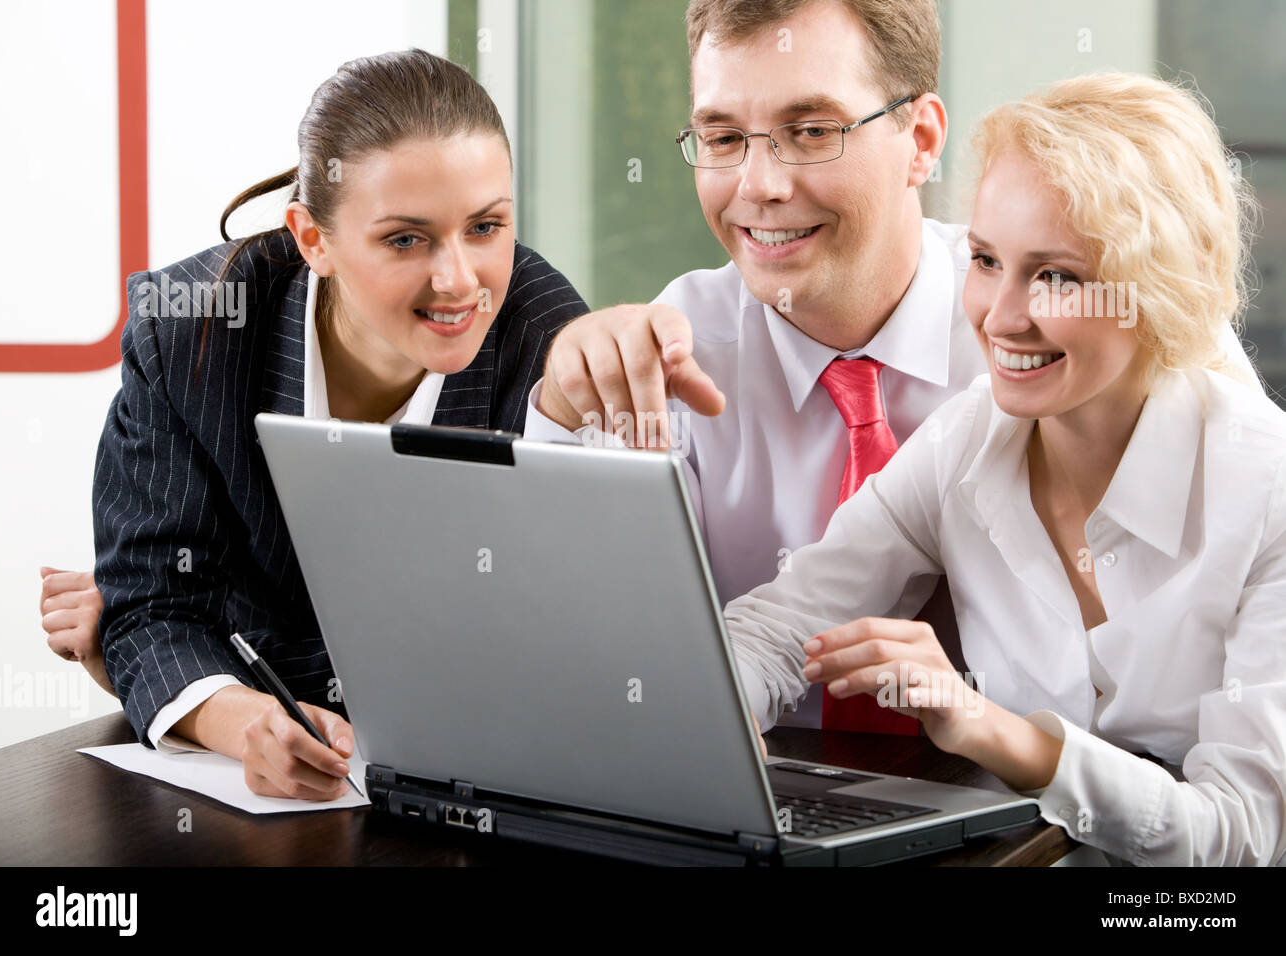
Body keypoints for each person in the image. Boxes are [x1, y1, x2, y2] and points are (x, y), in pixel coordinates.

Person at [523, 0, 1260, 737]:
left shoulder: (1079, 326)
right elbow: (567, 654)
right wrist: (559, 408)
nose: (758, 186)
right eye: (722, 137)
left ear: (921, 139)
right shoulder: (665, 362)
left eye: (811, 132)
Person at [724, 72, 1284, 866]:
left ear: (1156, 288)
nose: (1000, 314)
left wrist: (993, 731)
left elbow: (1241, 837)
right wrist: (711, 715)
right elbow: (781, 627)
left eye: (1056, 276)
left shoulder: (1267, 490)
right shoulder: (965, 444)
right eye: (986, 260)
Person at [60, 48, 587, 801]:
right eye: (406, 238)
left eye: (486, 226)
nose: (460, 280)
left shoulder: (548, 341)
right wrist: (246, 723)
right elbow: (149, 608)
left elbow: (561, 638)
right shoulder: (190, 335)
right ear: (312, 240)